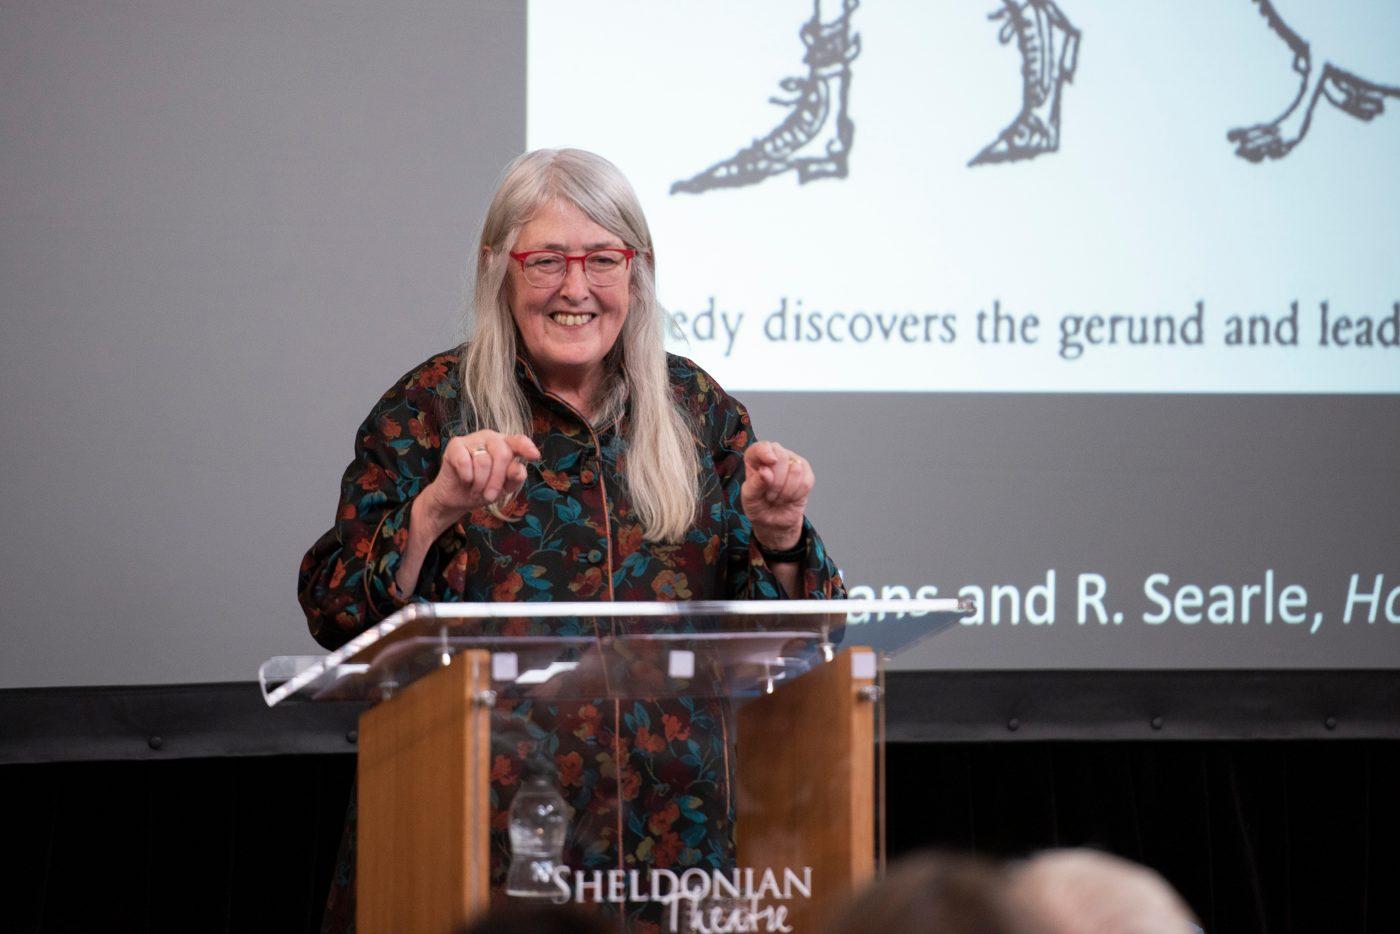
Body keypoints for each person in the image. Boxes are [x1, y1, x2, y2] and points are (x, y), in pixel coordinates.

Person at [298, 148, 845, 930]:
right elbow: (333, 611)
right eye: (547, 260)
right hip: (478, 851)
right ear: (499, 268)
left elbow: (796, 645)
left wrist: (783, 536)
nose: (576, 288)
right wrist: (433, 511)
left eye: (602, 259)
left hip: (672, 860)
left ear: (639, 270)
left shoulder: (700, 411)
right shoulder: (427, 410)